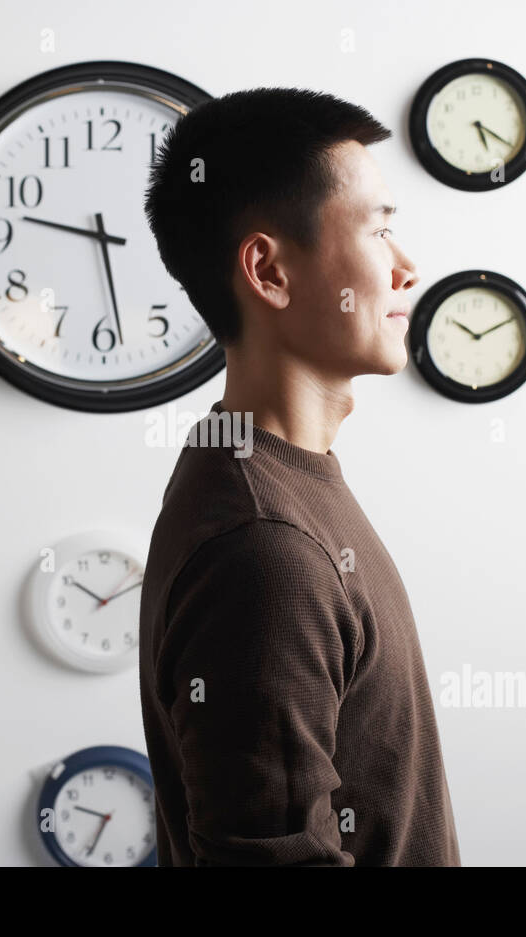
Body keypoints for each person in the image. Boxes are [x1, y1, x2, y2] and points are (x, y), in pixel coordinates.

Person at [138, 87, 461, 866]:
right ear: (269, 272)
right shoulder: (265, 549)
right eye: (380, 231)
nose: (407, 268)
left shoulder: (258, 478)